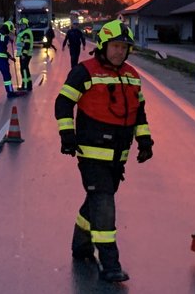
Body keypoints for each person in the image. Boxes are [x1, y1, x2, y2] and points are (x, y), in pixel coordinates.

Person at [54, 19, 153, 283]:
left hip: (118, 157)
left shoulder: (132, 75)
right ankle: (110, 264)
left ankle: (81, 246)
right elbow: (63, 102)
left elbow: (139, 113)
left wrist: (145, 142)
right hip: (92, 154)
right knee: (104, 204)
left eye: (124, 47)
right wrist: (67, 134)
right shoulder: (84, 71)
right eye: (115, 46)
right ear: (103, 46)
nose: (120, 51)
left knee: (95, 202)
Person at [16, 18, 35, 90]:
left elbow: (27, 45)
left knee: (23, 69)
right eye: (21, 25)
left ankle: (25, 86)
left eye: (23, 25)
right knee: (25, 69)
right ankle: (29, 85)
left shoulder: (26, 33)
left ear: (26, 25)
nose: (21, 26)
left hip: (25, 55)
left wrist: (24, 54)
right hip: (24, 54)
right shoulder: (23, 32)